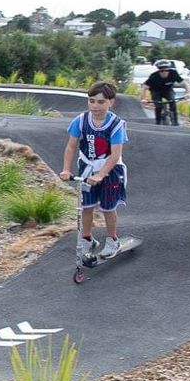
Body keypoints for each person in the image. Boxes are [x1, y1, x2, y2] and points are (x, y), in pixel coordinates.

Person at [60, 81, 128, 260]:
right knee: (86, 207)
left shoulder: (116, 125)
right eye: (91, 101)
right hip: (86, 168)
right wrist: (66, 169)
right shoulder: (81, 121)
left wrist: (101, 175)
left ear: (110, 102)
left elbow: (115, 155)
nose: (95, 106)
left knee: (108, 207)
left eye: (100, 102)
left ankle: (113, 240)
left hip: (110, 170)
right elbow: (71, 147)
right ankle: (87, 238)